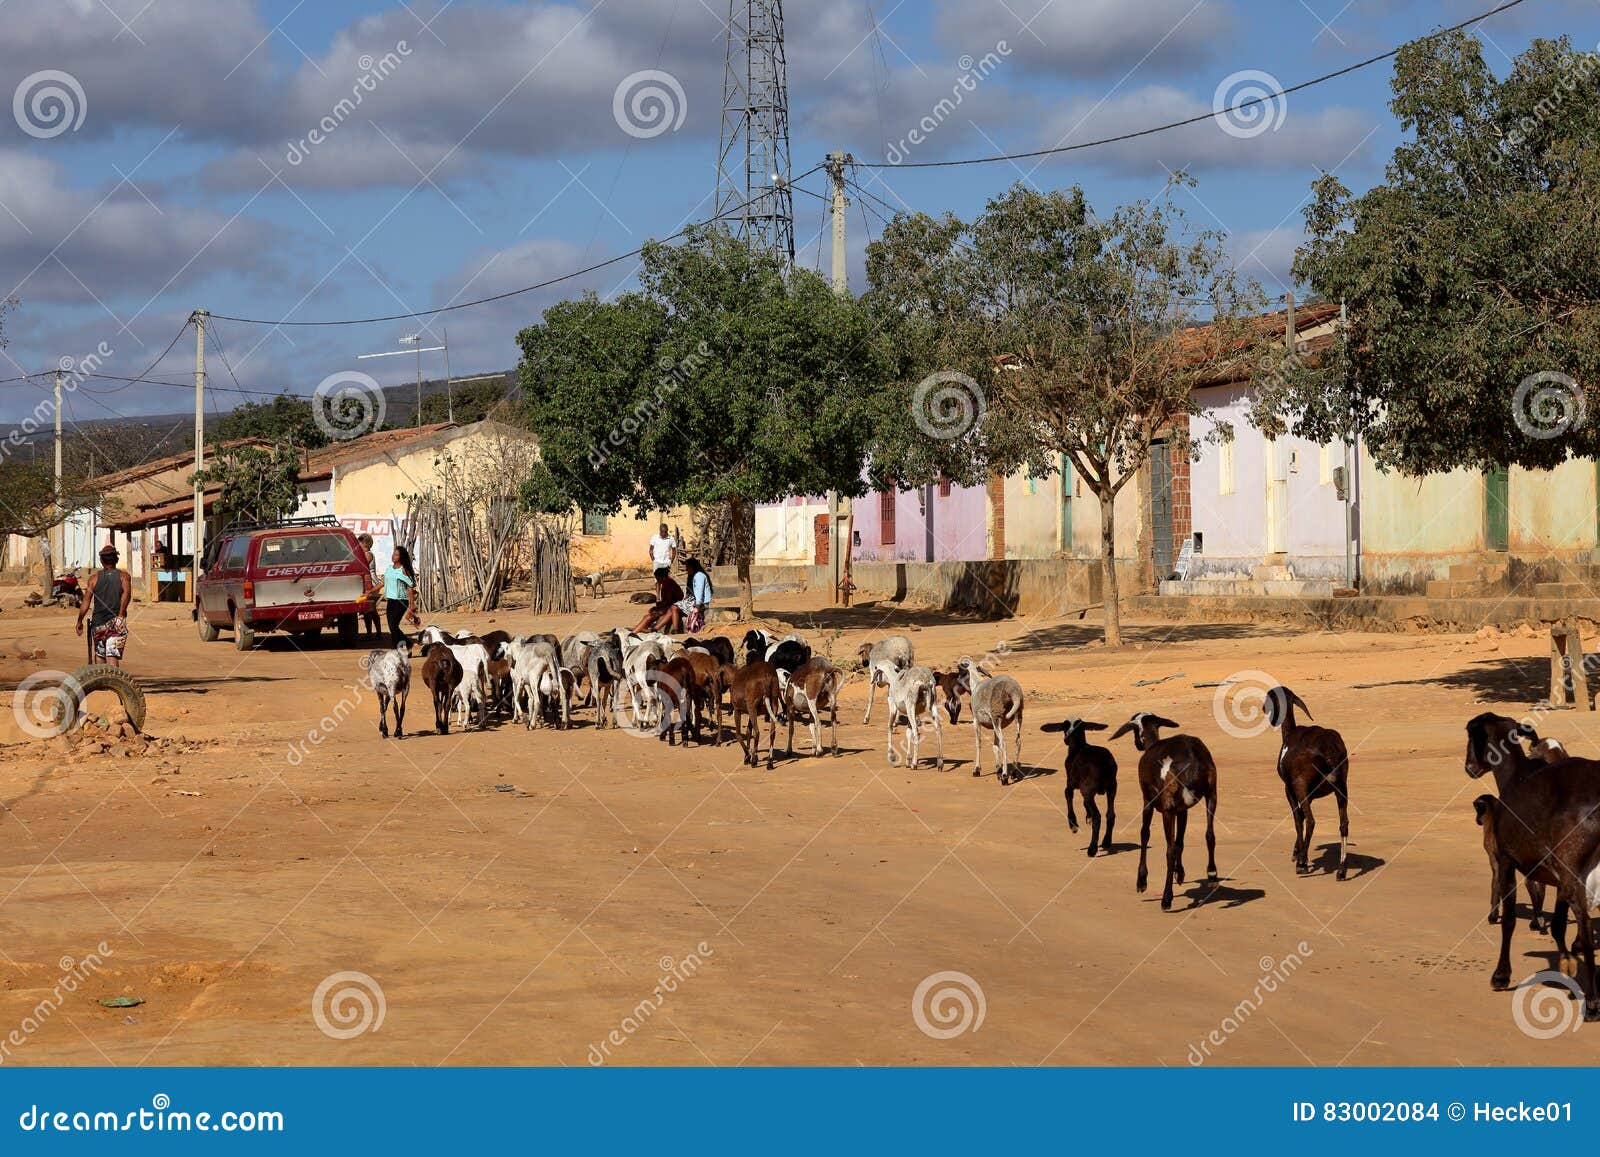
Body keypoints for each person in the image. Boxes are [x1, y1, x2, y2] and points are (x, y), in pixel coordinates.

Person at [76, 544, 131, 667]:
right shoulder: (124, 577)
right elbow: (126, 596)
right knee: (112, 655)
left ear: (101, 561)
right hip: (117, 622)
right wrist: (121, 615)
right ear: (116, 560)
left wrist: (79, 621)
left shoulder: (93, 579)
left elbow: (86, 602)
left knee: (100, 654)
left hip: (98, 623)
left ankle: (101, 682)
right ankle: (113, 683)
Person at [662, 557, 712, 634]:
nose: (686, 569)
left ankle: (675, 629)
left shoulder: (699, 576)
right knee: (671, 609)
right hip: (691, 601)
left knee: (674, 607)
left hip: (699, 603)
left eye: (687, 567)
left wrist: (697, 607)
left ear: (692, 567)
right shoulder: (693, 576)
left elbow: (700, 592)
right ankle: (656, 629)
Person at [383, 545, 421, 646]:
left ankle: (396, 649)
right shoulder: (389, 568)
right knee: (392, 627)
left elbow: (410, 586)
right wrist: (370, 591)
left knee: (393, 626)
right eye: (393, 554)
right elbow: (382, 582)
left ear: (401, 557)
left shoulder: (404, 570)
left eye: (396, 555)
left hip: (400, 601)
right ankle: (408, 644)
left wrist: (412, 604)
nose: (393, 556)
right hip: (390, 601)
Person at [634, 566, 684, 633]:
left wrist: (658, 608)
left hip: (671, 605)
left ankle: (635, 632)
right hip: (669, 605)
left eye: (657, 578)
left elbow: (668, 601)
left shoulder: (669, 584)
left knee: (649, 616)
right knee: (648, 615)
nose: (657, 580)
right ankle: (638, 629)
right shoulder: (666, 582)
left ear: (662, 577)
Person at [356, 533, 382, 637]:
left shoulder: (367, 554)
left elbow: (361, 566)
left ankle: (374, 633)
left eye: (359, 543)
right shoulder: (364, 554)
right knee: (369, 610)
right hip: (368, 584)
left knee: (370, 610)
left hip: (371, 584)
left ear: (364, 544)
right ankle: (372, 633)